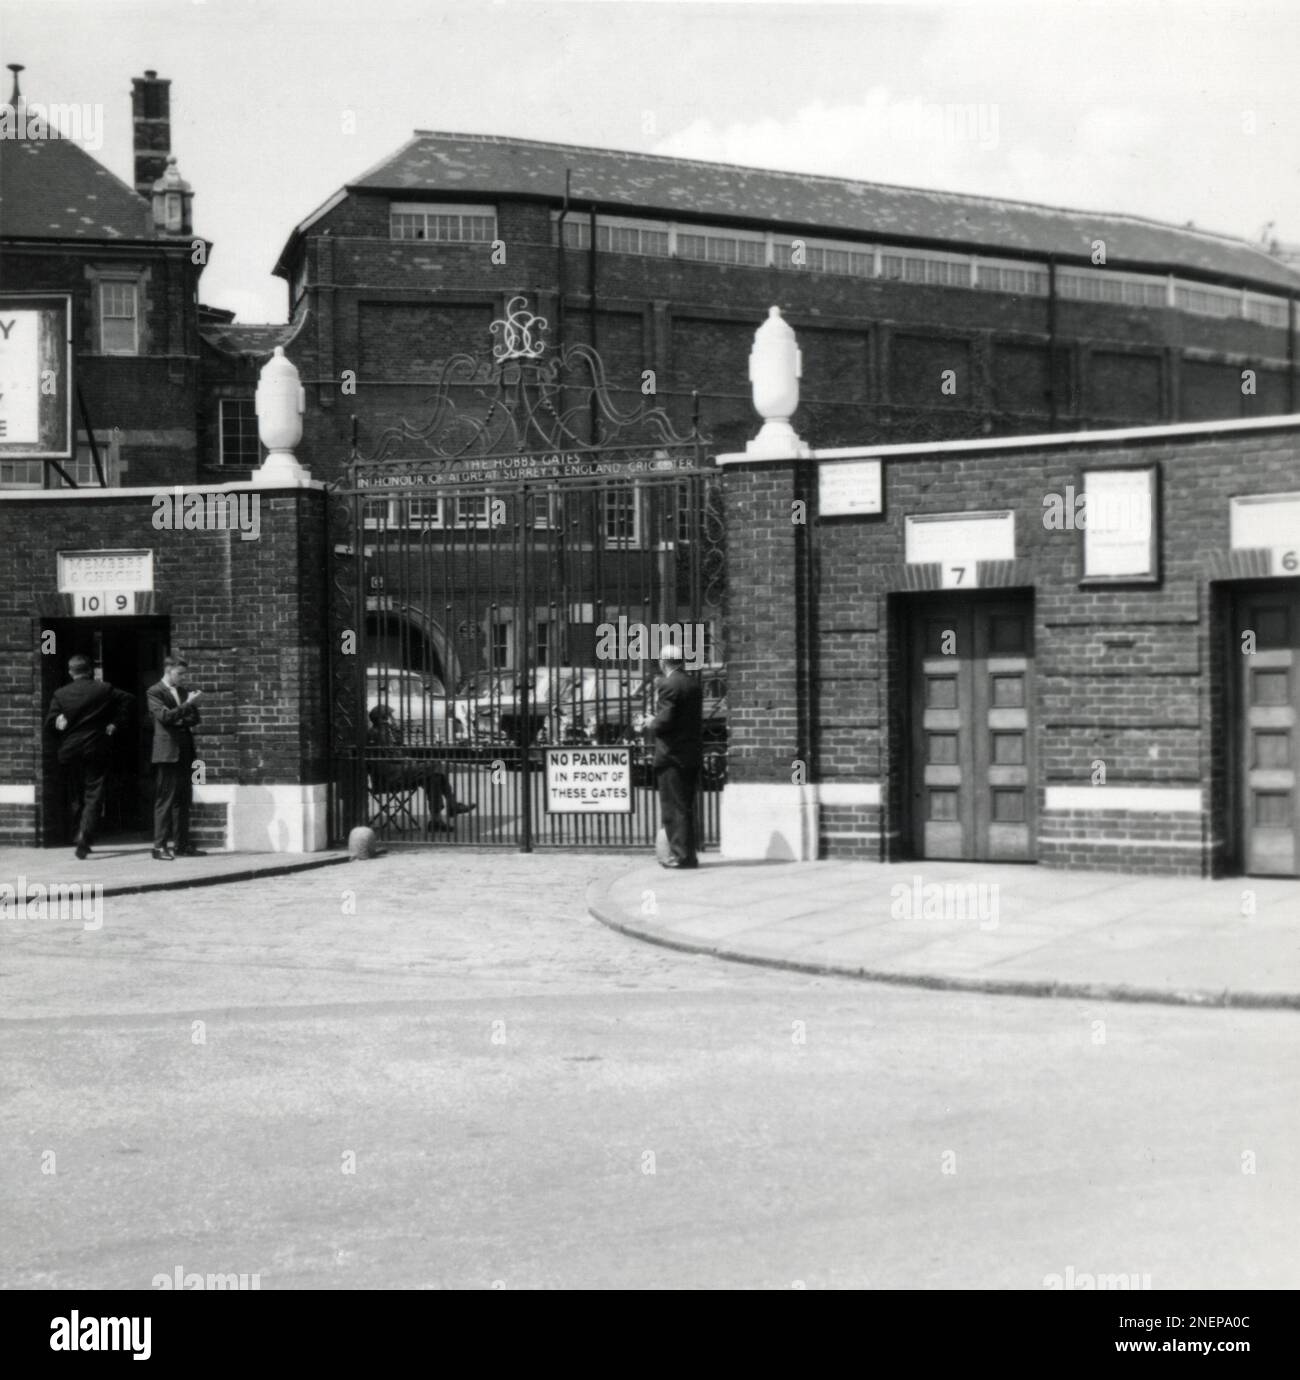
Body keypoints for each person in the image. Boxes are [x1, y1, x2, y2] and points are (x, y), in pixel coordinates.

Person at [45, 654, 133, 860]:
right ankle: (85, 836)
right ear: (90, 670)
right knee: (94, 794)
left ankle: (76, 832)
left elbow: (50, 723)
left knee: (76, 795)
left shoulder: (60, 693)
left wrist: (59, 723)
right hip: (96, 748)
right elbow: (129, 699)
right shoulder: (103, 689)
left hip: (71, 751)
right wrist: (115, 723)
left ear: (70, 672)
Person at [367, 704, 476, 833]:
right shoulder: (376, 734)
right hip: (391, 775)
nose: (393, 717)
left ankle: (436, 821)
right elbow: (389, 758)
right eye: (390, 715)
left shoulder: (386, 732)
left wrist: (396, 732)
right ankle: (452, 805)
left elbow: (397, 751)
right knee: (434, 766)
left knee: (433, 777)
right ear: (382, 719)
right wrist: (408, 761)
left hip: (398, 770)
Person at [648, 643, 703, 869]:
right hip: (690, 754)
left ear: (663, 662)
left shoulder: (669, 684)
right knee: (686, 806)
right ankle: (688, 854)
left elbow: (666, 720)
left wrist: (650, 722)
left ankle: (681, 856)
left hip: (672, 755)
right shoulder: (693, 684)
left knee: (673, 808)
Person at [147, 656, 205, 861]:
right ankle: (159, 846)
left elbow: (194, 718)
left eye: (184, 674)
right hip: (168, 752)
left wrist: (181, 714)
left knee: (183, 799)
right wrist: (187, 705)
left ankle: (181, 844)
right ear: (168, 670)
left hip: (185, 750)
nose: (183, 678)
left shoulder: (182, 692)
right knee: (166, 799)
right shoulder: (155, 692)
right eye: (180, 674)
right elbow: (164, 717)